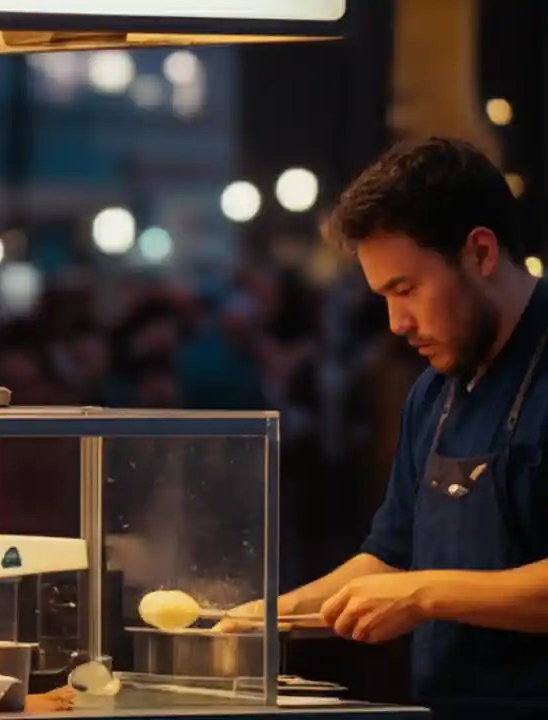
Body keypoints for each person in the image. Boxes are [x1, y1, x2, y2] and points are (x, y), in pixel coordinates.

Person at [223, 138, 548, 717]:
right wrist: (267, 617)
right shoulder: (433, 391)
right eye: (383, 297)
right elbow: (391, 558)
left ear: (479, 253)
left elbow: (408, 583)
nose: (397, 323)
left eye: (407, 289)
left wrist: (423, 595)